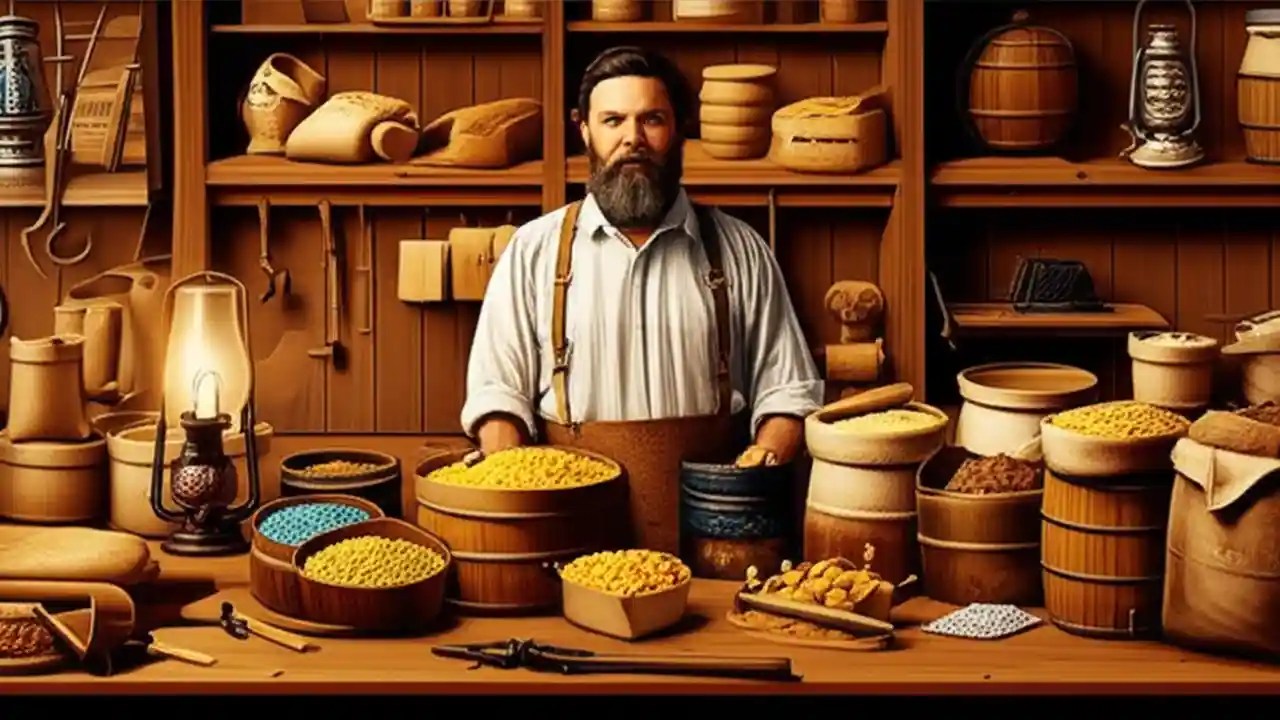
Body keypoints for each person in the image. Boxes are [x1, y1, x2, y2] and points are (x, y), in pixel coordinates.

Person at [459, 46, 823, 552]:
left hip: (717, 536)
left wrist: (756, 474)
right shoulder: (533, 251)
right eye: (613, 120)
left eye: (651, 119)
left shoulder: (740, 249)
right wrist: (519, 490)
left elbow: (790, 392)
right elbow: (497, 394)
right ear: (583, 130)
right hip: (568, 533)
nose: (633, 139)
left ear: (678, 130)